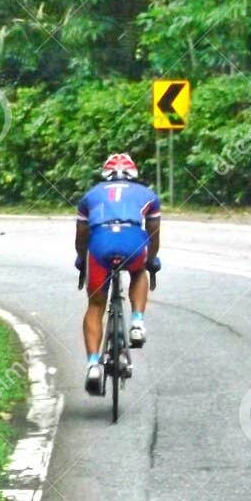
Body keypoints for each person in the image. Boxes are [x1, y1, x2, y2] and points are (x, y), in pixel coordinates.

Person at [74, 152, 161, 396]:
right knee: (139, 271)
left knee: (95, 305)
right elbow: (154, 232)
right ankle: (137, 323)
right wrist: (151, 259)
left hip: (99, 243)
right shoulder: (148, 195)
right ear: (134, 175)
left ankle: (93, 364)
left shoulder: (90, 195)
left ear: (105, 176)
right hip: (132, 241)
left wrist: (82, 260)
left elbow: (81, 236)